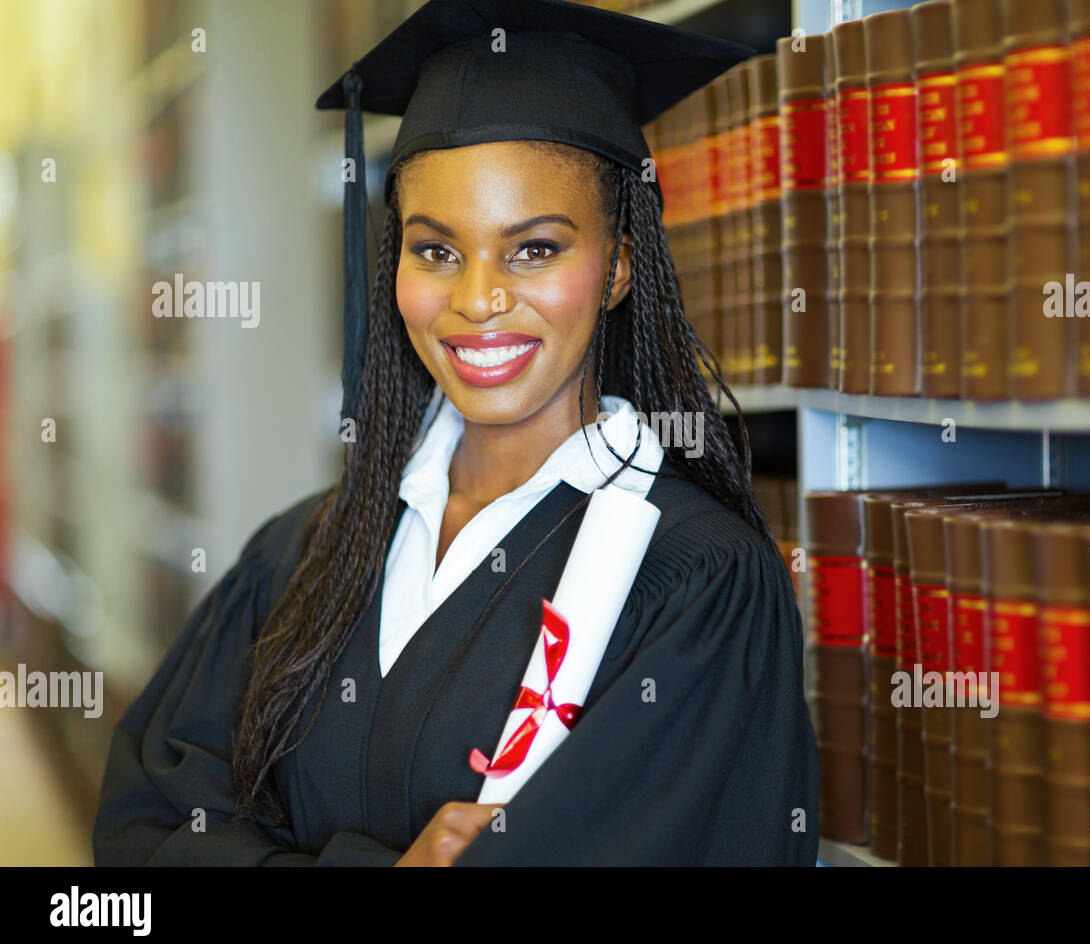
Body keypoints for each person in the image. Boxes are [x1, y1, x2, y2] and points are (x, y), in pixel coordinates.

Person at [93, 0, 819, 866]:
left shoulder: (699, 587)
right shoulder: (305, 551)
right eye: (436, 250)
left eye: (535, 249)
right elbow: (145, 831)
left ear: (620, 263)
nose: (477, 300)